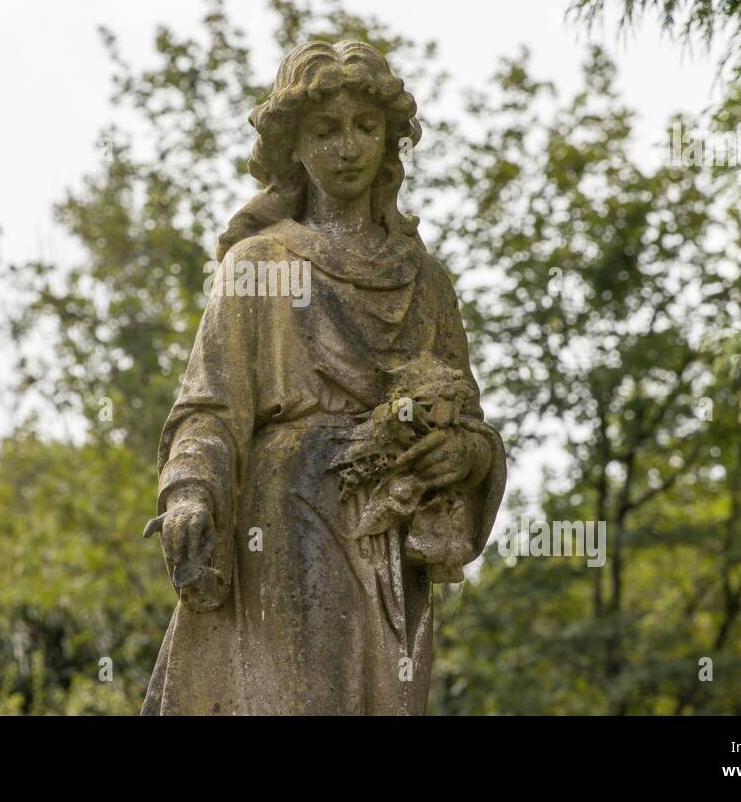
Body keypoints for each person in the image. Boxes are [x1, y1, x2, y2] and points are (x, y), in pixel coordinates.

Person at [142, 40, 506, 715]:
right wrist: (190, 492)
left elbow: (469, 424)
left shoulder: (426, 281)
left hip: (389, 528)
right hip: (284, 521)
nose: (348, 148)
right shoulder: (258, 264)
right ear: (294, 146)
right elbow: (210, 409)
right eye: (326, 130)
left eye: (366, 127)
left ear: (389, 140)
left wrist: (464, 455)